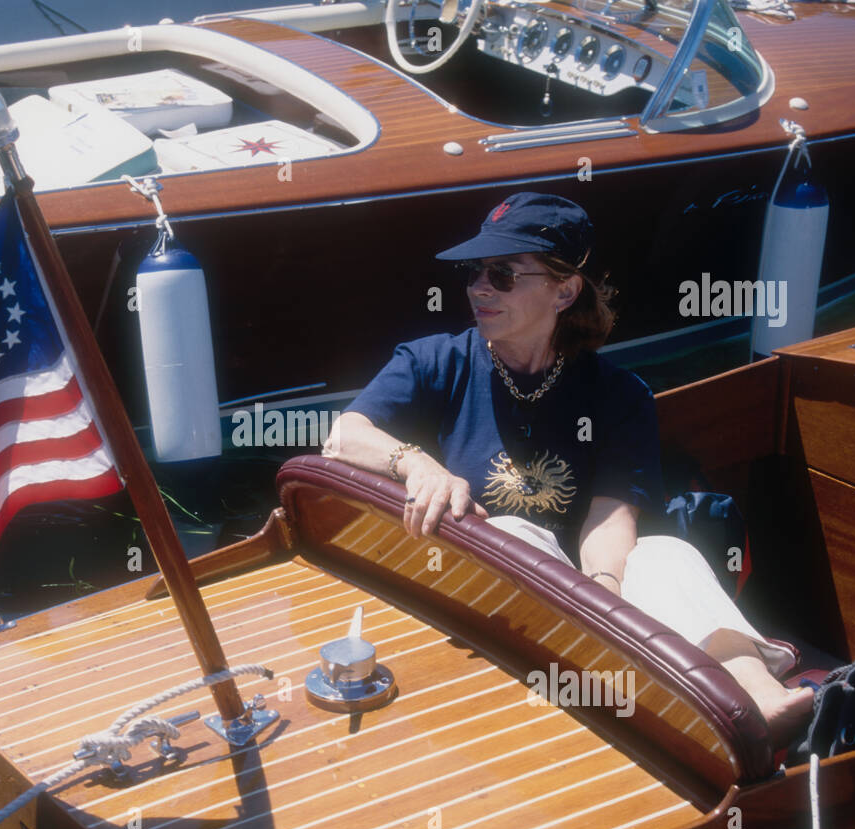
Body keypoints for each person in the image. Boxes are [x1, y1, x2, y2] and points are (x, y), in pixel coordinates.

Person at [322, 192, 813, 746]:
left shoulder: (619, 395)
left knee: (667, 552)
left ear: (564, 290)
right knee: (507, 530)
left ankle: (758, 698)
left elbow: (610, 519)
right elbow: (342, 437)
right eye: (474, 272)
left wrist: (602, 595)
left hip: (575, 588)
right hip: (478, 586)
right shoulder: (434, 361)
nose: (480, 287)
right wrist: (416, 466)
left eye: (503, 274)